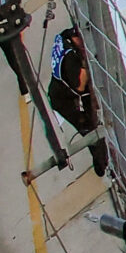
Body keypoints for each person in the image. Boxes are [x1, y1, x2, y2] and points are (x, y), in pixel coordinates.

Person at [46, 27, 108, 176]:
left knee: (91, 115)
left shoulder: (65, 39)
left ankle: (103, 156)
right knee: (89, 129)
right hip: (64, 100)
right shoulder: (70, 59)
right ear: (75, 39)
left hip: (68, 89)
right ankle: (101, 165)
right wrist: (87, 65)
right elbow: (79, 85)